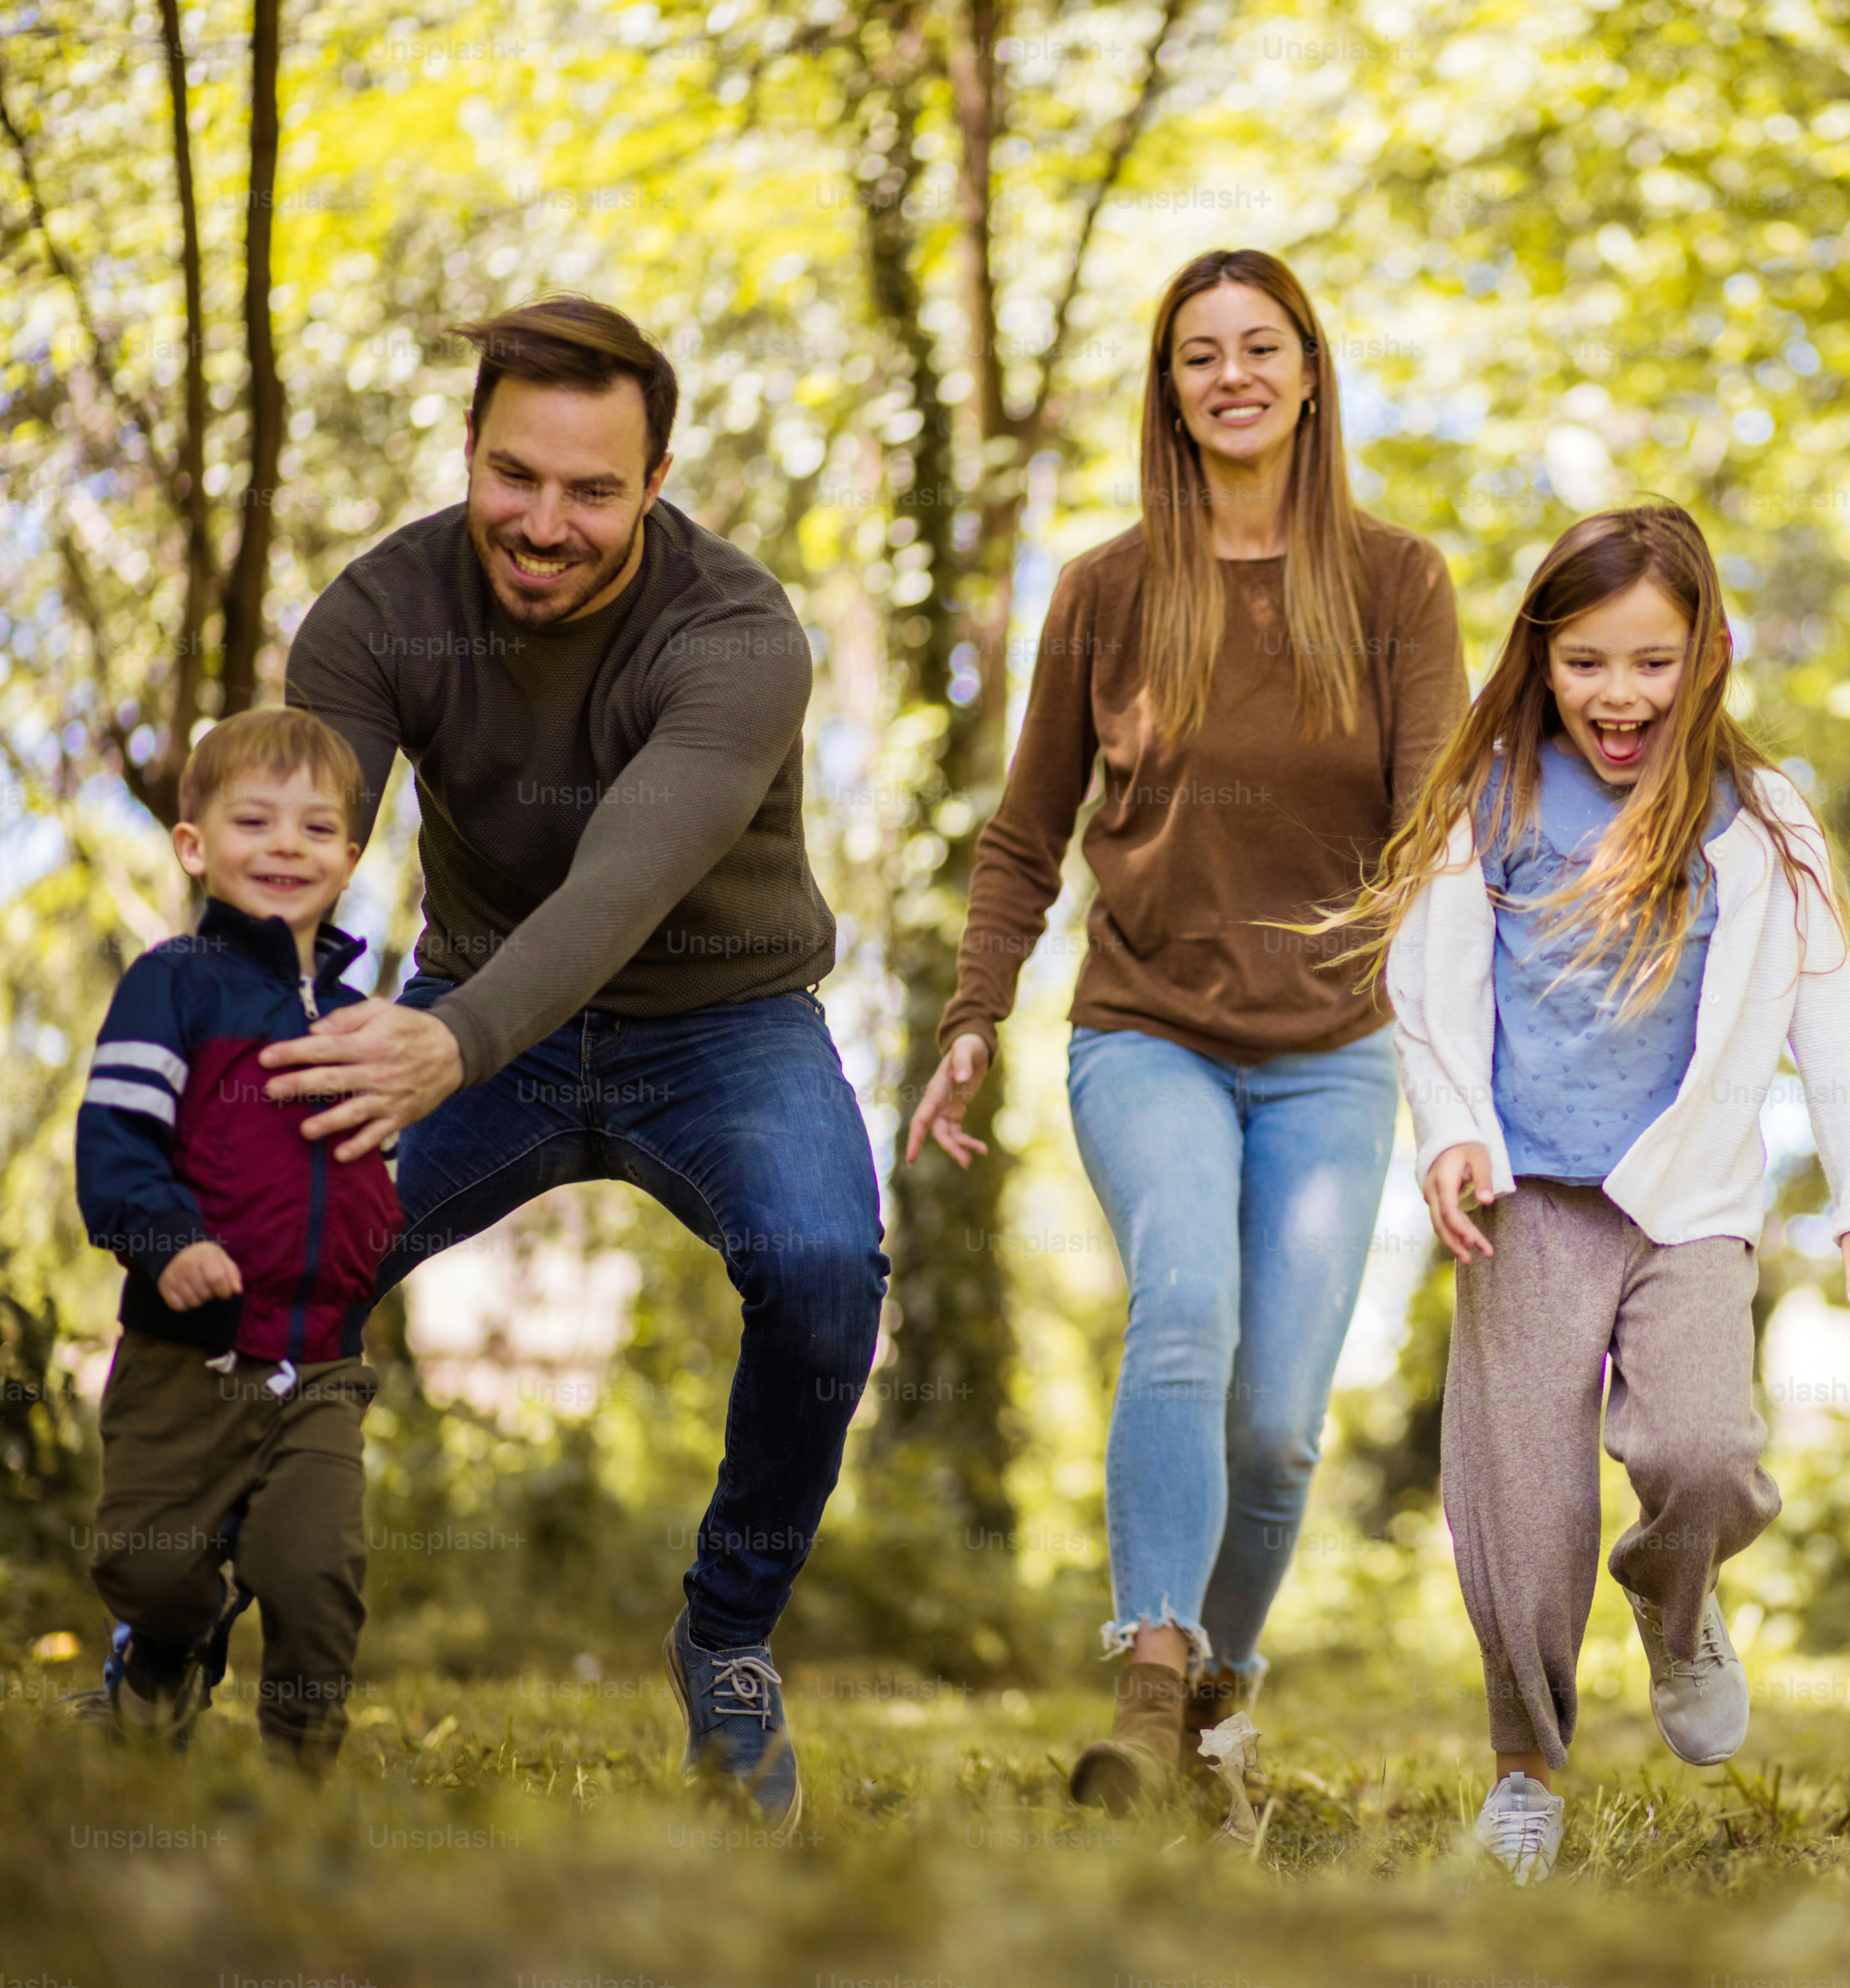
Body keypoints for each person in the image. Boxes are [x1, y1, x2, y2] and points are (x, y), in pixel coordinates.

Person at [278, 293, 881, 1825]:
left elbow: (624, 880)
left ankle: (728, 1638)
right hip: (474, 1015)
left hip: (721, 1026)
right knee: (271, 1257)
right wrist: (257, 1042)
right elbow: (296, 861)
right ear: (469, 451)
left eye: (593, 490)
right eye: (514, 476)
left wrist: (444, 1041)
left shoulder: (736, 633)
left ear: (657, 480)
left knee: (822, 1267)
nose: (545, 523)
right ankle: (203, 1639)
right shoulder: (376, 613)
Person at [902, 248, 1465, 1809]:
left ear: (1305, 371)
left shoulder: (1395, 582)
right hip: (1144, 1029)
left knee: (1280, 1424)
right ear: (1168, 388)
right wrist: (970, 1016)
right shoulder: (1104, 589)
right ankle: (1148, 1691)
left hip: (1332, 1050)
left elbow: (1433, 838)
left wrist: (1465, 1081)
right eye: (1196, 353)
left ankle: (1212, 1710)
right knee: (1186, 1304)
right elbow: (1024, 835)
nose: (1229, 374)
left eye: (1258, 347)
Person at [1328, 501, 1850, 1884]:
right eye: (1587, 661)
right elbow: (1428, 990)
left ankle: (1677, 1596)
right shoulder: (1498, 800)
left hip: (1688, 1200)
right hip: (1526, 1196)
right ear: (1539, 659)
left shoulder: (1763, 822)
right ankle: (1525, 1772)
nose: (1620, 695)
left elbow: (1826, 1017)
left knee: (1704, 1450)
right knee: (1522, 1513)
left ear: (1707, 652)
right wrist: (1452, 1132)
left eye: (1653, 660)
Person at [74, 708, 404, 1767]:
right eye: (254, 821)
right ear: (194, 844)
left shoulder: (358, 1022)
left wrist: (367, 1261)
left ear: (350, 860)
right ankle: (167, 1651)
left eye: (315, 831)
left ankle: (298, 1772)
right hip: (188, 1355)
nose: (283, 847)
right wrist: (167, 1244)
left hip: (317, 1363)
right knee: (149, 1566)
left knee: (317, 1574)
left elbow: (365, 1173)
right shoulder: (173, 985)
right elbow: (118, 1140)